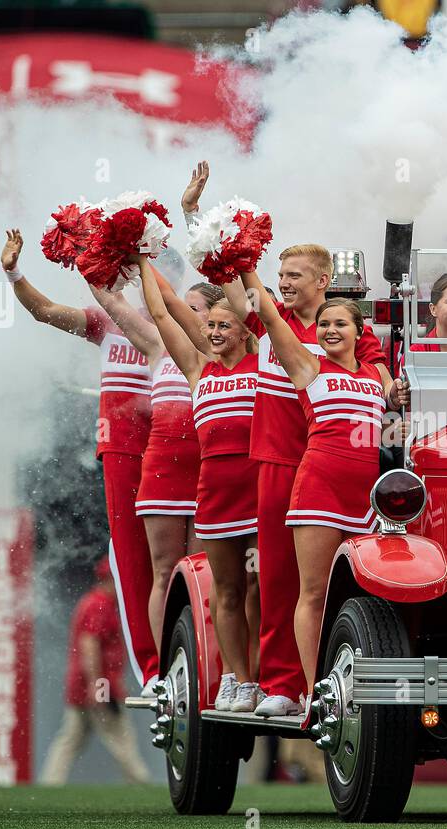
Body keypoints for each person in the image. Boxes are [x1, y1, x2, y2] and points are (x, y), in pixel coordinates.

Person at [242, 268, 407, 716]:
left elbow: (400, 404)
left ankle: (356, 683)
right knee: (312, 592)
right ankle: (314, 691)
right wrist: (241, 260)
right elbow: (273, 321)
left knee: (362, 598)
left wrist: (404, 396)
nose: (330, 330)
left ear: (359, 332)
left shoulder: (376, 371)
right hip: (317, 488)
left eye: (341, 324)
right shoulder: (308, 366)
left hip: (365, 497)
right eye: (326, 324)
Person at [0, 229, 157, 691]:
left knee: (178, 560)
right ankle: (153, 669)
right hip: (121, 450)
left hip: (173, 448)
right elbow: (46, 311)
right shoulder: (106, 323)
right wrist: (13, 272)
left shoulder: (180, 323)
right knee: (131, 557)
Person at [133, 254, 263, 714]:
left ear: (246, 330)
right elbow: (164, 311)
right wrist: (139, 258)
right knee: (223, 590)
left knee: (257, 588)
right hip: (214, 498)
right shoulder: (197, 371)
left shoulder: (263, 367)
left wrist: (228, 256)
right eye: (211, 327)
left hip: (258, 496)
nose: (215, 332)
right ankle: (232, 678)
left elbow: (251, 300)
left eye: (225, 325)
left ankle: (260, 677)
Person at [87, 268, 210, 656]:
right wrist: (98, 257)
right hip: (164, 470)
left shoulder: (224, 353)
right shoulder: (161, 346)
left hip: (210, 473)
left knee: (201, 570)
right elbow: (132, 306)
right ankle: (169, 667)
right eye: (182, 307)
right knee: (165, 572)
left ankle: (203, 658)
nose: (182, 314)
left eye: (195, 309)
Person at [39, 558, 151, 785]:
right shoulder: (99, 604)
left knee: (70, 738)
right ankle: (141, 782)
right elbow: (89, 645)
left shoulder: (94, 602)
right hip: (99, 686)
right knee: (121, 736)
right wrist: (98, 685)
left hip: (83, 686)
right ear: (111, 579)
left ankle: (49, 783)